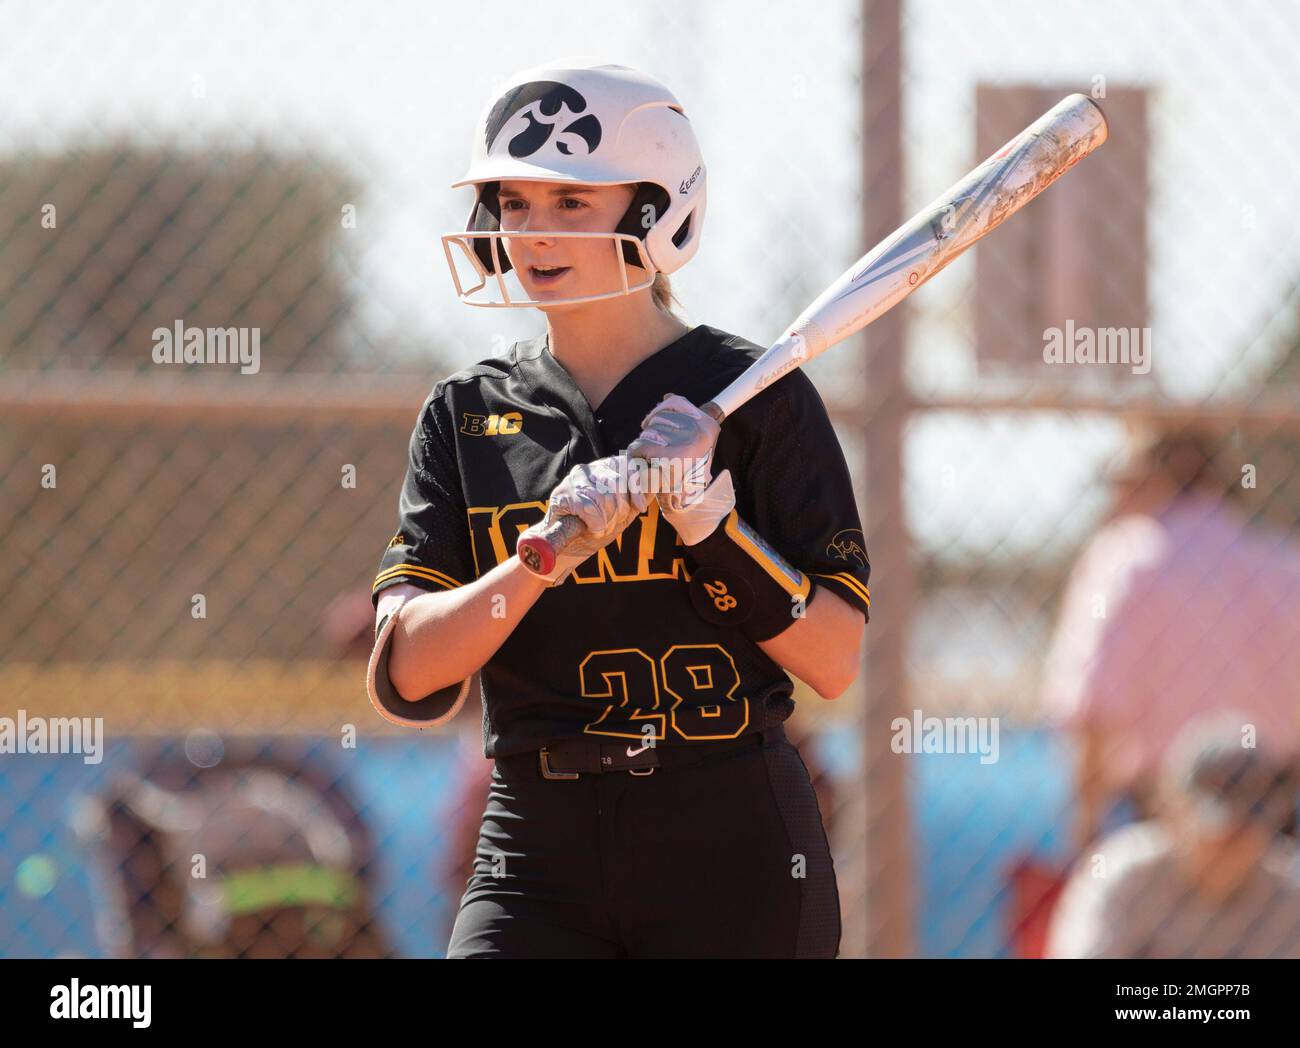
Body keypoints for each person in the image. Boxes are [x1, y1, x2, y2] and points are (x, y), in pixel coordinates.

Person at [365, 59, 871, 958]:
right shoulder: (465, 410)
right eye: (514, 204)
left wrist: (708, 527)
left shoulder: (756, 396)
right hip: (533, 844)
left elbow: (832, 658)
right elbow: (409, 675)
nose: (533, 234)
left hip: (731, 841)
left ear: (653, 211)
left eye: (571, 204)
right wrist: (540, 557)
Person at [1041, 426, 1300, 851]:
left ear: (1152, 479)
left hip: (1165, 814)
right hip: (1271, 811)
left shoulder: (1126, 561)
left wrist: (1085, 833)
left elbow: (1093, 711)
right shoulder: (1283, 562)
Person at [1045, 715, 1300, 958]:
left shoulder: (1289, 893)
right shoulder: (1124, 874)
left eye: (1246, 826)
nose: (1230, 842)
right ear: (1174, 811)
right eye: (1218, 827)